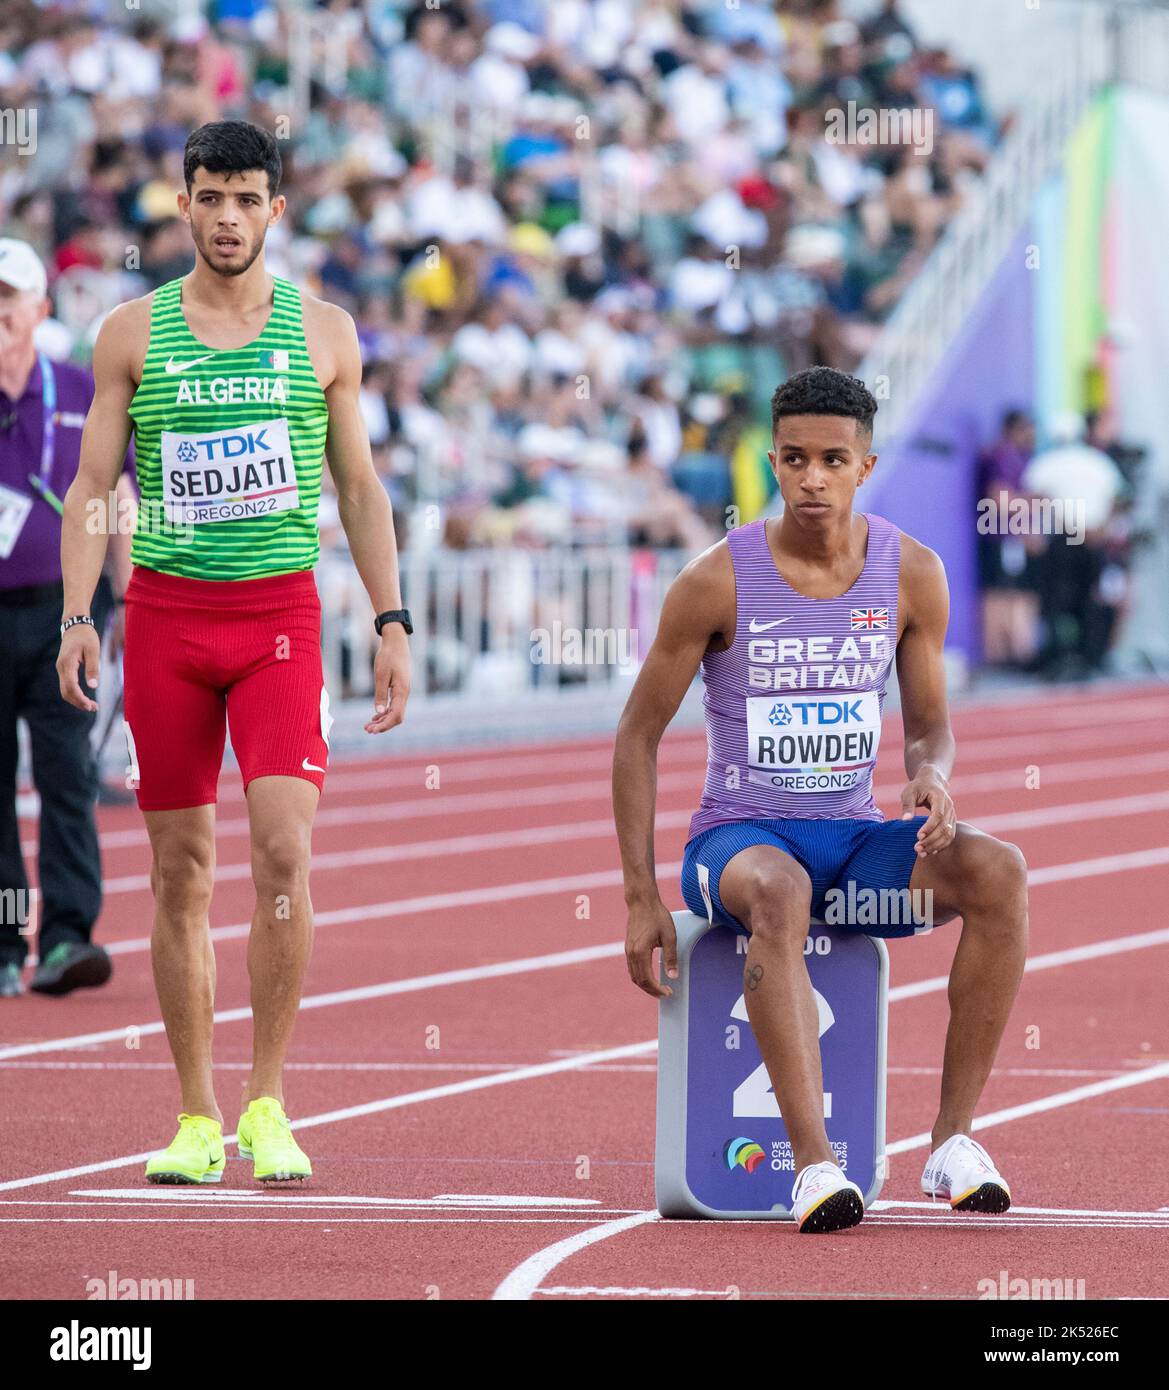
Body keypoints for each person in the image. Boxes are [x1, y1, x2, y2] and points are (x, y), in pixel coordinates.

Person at [56, 121, 413, 1184]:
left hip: (278, 625)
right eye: (208, 196)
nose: (224, 217)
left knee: (283, 858)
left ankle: (268, 1100)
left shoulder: (324, 333)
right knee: (179, 871)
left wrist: (390, 622)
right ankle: (195, 1115)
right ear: (183, 204)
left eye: (245, 198)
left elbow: (357, 489)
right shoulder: (130, 332)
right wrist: (79, 615)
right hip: (165, 620)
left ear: (275, 211)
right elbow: (89, 490)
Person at [613, 367, 1028, 1233]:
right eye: (793, 459)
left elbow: (928, 729)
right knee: (778, 890)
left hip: (853, 849)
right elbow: (636, 736)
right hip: (735, 846)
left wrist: (931, 776)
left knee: (998, 872)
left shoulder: (910, 573)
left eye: (831, 460)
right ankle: (813, 1168)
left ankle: (952, 1143)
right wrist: (637, 897)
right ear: (771, 458)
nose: (810, 479)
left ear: (863, 466)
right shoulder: (712, 582)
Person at [0, 238, 129, 999]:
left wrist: (131, 604)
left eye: (9, 301)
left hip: (64, 612)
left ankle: (67, 938)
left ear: (39, 311)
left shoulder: (81, 390)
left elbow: (120, 506)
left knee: (66, 772)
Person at [1022, 412, 1127, 680]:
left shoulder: (1046, 462)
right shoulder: (1099, 462)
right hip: (1093, 540)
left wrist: (1037, 533)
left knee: (1056, 599)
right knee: (1092, 597)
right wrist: (1102, 529)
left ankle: (1060, 657)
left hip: (1063, 541)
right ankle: (1091, 656)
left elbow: (1033, 499)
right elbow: (1119, 497)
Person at [975, 409, 1038, 668]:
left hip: (1008, 537)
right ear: (1014, 429)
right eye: (1027, 429)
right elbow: (998, 499)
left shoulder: (1016, 456)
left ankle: (1013, 654)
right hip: (999, 536)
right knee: (1000, 595)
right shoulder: (1002, 456)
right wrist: (1034, 501)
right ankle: (1000, 656)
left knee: (1013, 593)